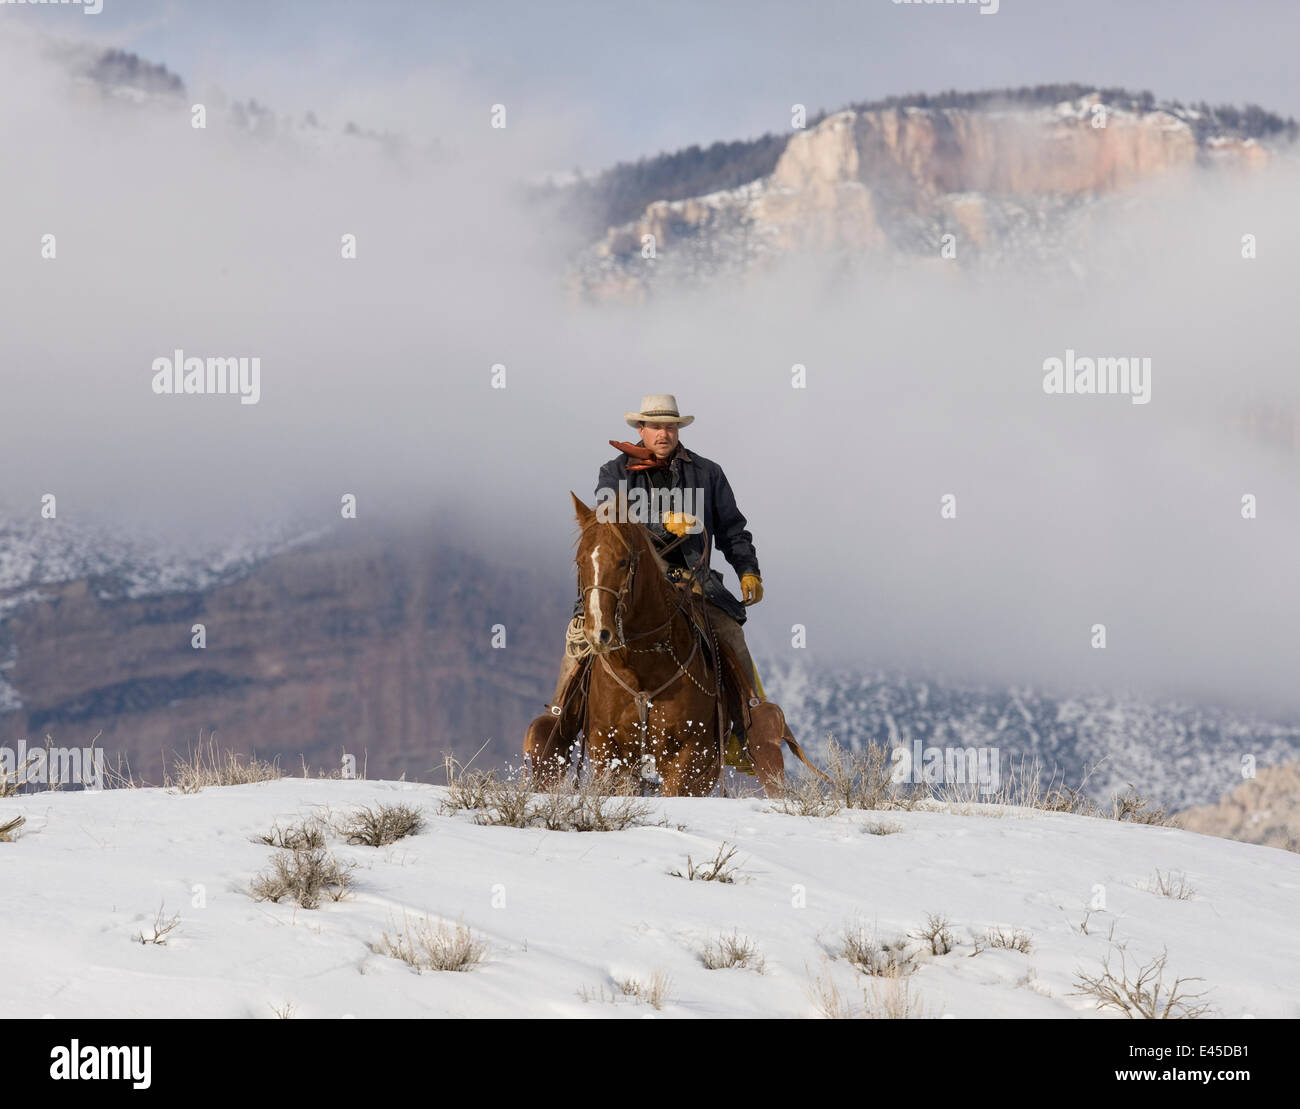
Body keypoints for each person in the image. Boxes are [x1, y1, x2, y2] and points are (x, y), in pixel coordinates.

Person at [548, 393, 766, 727]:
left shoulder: (708, 473)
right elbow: (608, 517)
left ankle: (750, 727)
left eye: (670, 427)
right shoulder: (614, 472)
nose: (663, 434)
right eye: (655, 427)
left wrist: (748, 570)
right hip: (625, 583)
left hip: (693, 582)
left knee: (732, 639)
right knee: (578, 643)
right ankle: (559, 722)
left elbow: (733, 530)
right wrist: (663, 521)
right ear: (641, 428)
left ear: (678, 430)